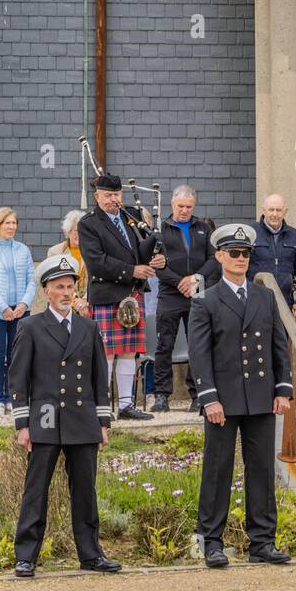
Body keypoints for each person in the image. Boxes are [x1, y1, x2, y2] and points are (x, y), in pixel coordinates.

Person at [188, 223, 294, 569]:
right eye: (234, 253)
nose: (241, 259)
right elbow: (200, 354)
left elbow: (279, 344)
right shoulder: (206, 301)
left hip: (261, 396)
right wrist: (209, 398)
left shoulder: (264, 296)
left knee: (262, 469)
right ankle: (212, 542)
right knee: (218, 469)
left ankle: (262, 541)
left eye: (246, 254)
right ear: (219, 256)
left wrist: (283, 388)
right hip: (223, 398)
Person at [10, 253, 120, 577]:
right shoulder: (31, 326)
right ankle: (26, 555)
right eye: (59, 287)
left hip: (82, 418)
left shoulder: (88, 327)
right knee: (36, 489)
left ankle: (91, 554)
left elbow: (100, 378)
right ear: (46, 291)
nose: (66, 293)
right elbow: (18, 378)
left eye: (70, 286)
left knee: (85, 491)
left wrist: (103, 422)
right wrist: (22, 424)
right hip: (44, 418)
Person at [78, 173, 165, 420]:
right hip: (107, 294)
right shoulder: (89, 224)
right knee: (105, 352)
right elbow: (96, 263)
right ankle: (102, 407)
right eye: (107, 195)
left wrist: (158, 257)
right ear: (97, 196)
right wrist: (132, 271)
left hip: (132, 293)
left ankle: (126, 405)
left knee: (129, 351)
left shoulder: (132, 217)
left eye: (116, 195)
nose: (112, 200)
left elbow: (141, 250)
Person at [151, 185, 220, 412]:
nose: (184, 210)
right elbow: (156, 263)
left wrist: (195, 279)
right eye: (180, 206)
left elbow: (214, 259)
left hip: (197, 289)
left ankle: (198, 394)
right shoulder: (161, 229)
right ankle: (161, 395)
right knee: (164, 345)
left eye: (189, 207)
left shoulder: (203, 228)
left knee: (198, 344)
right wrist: (179, 282)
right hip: (170, 292)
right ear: (172, 204)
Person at [0, 206, 36, 417]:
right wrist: (3, 307)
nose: (11, 227)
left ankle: (14, 398)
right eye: (7, 223)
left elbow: (32, 280)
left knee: (16, 355)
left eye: (14, 223)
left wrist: (23, 304)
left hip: (20, 311)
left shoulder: (23, 250)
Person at [248, 193, 296, 319]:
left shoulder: (295, 236)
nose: (275, 214)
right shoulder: (250, 233)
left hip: (285, 303)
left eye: (279, 210)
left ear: (285, 211)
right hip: (255, 301)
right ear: (263, 210)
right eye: (271, 209)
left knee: (282, 338)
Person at [47, 209, 91, 318]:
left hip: (88, 306)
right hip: (61, 304)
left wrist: (85, 300)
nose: (79, 234)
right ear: (68, 231)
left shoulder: (93, 252)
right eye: (76, 230)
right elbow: (53, 282)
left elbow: (96, 279)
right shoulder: (55, 252)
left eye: (83, 230)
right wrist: (75, 301)